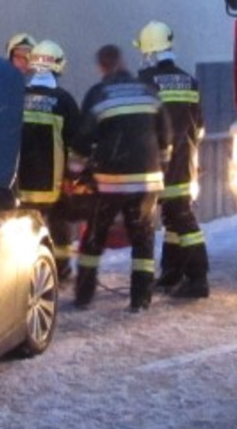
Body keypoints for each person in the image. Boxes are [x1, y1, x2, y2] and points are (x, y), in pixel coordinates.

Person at [70, 43, 170, 312]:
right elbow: (165, 135)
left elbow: (83, 140)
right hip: (148, 179)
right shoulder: (149, 92)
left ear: (102, 66)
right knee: (143, 238)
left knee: (94, 236)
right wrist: (162, 163)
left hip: (111, 180)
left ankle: (84, 293)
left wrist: (75, 173)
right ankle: (140, 298)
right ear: (123, 62)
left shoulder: (101, 95)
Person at [135, 20, 208, 299]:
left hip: (157, 164)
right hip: (184, 162)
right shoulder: (190, 81)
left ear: (150, 51)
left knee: (182, 220)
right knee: (174, 218)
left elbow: (142, 126)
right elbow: (199, 127)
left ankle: (198, 278)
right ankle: (172, 272)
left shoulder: (145, 83)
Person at [19, 39, 83, 281]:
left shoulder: (16, 96)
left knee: (23, 230)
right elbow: (76, 142)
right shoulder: (64, 101)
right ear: (58, 65)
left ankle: (24, 272)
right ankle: (62, 269)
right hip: (53, 186)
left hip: (19, 185)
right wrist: (74, 176)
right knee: (59, 225)